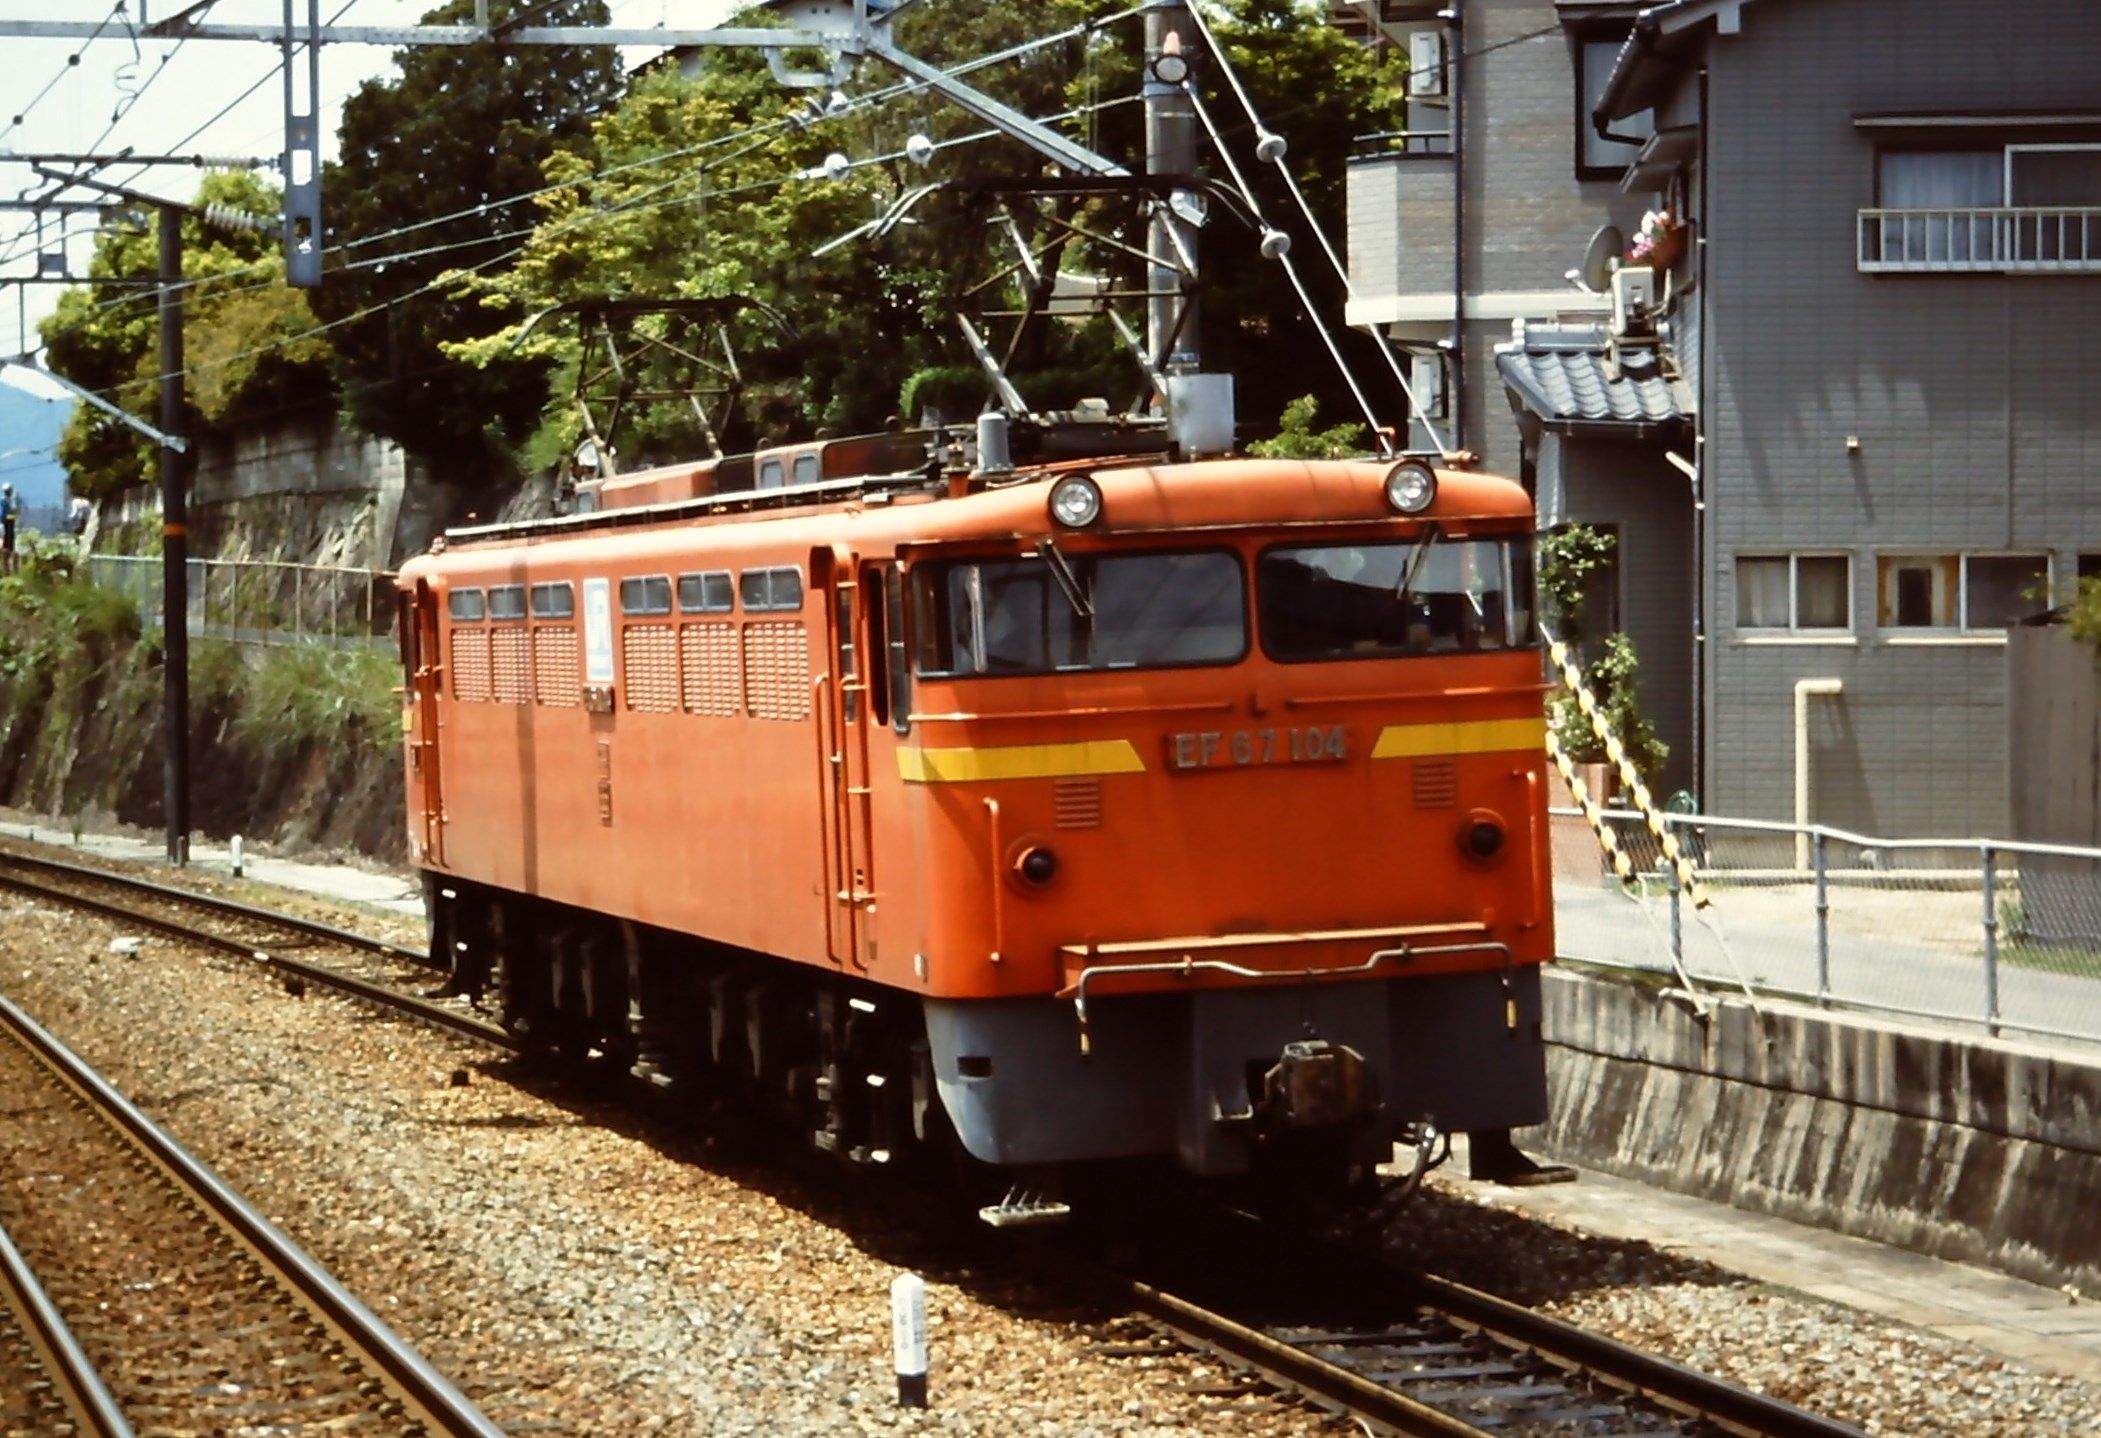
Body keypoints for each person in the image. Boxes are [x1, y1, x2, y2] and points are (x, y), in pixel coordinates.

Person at [0, 483, 19, 574]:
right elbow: (4, 513)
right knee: (7, 538)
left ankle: (9, 550)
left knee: (10, 538)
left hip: (11, 522)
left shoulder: (12, 500)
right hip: (7, 522)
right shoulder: (4, 500)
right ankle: (7, 551)